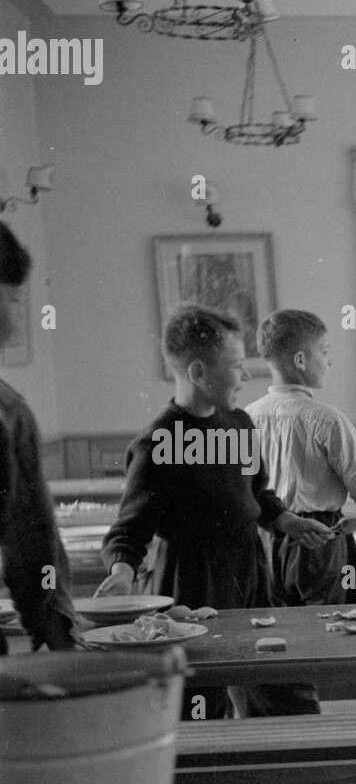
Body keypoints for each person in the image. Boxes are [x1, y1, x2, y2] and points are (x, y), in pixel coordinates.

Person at [95, 304, 332, 719]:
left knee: (286, 696)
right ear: (199, 373)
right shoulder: (159, 443)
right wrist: (121, 572)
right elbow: (129, 532)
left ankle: (289, 774)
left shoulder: (239, 424)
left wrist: (285, 521)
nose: (246, 376)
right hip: (189, 588)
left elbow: (257, 495)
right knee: (199, 711)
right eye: (237, 366)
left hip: (250, 579)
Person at [246, 307, 356, 608]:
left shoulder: (247, 416)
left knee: (278, 622)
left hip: (268, 537)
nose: (329, 361)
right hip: (319, 542)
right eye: (324, 352)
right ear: (300, 360)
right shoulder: (326, 420)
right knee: (332, 623)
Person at [0, 221, 77, 656]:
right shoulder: (8, 414)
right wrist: (50, 627)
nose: (13, 323)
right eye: (11, 297)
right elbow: (31, 543)